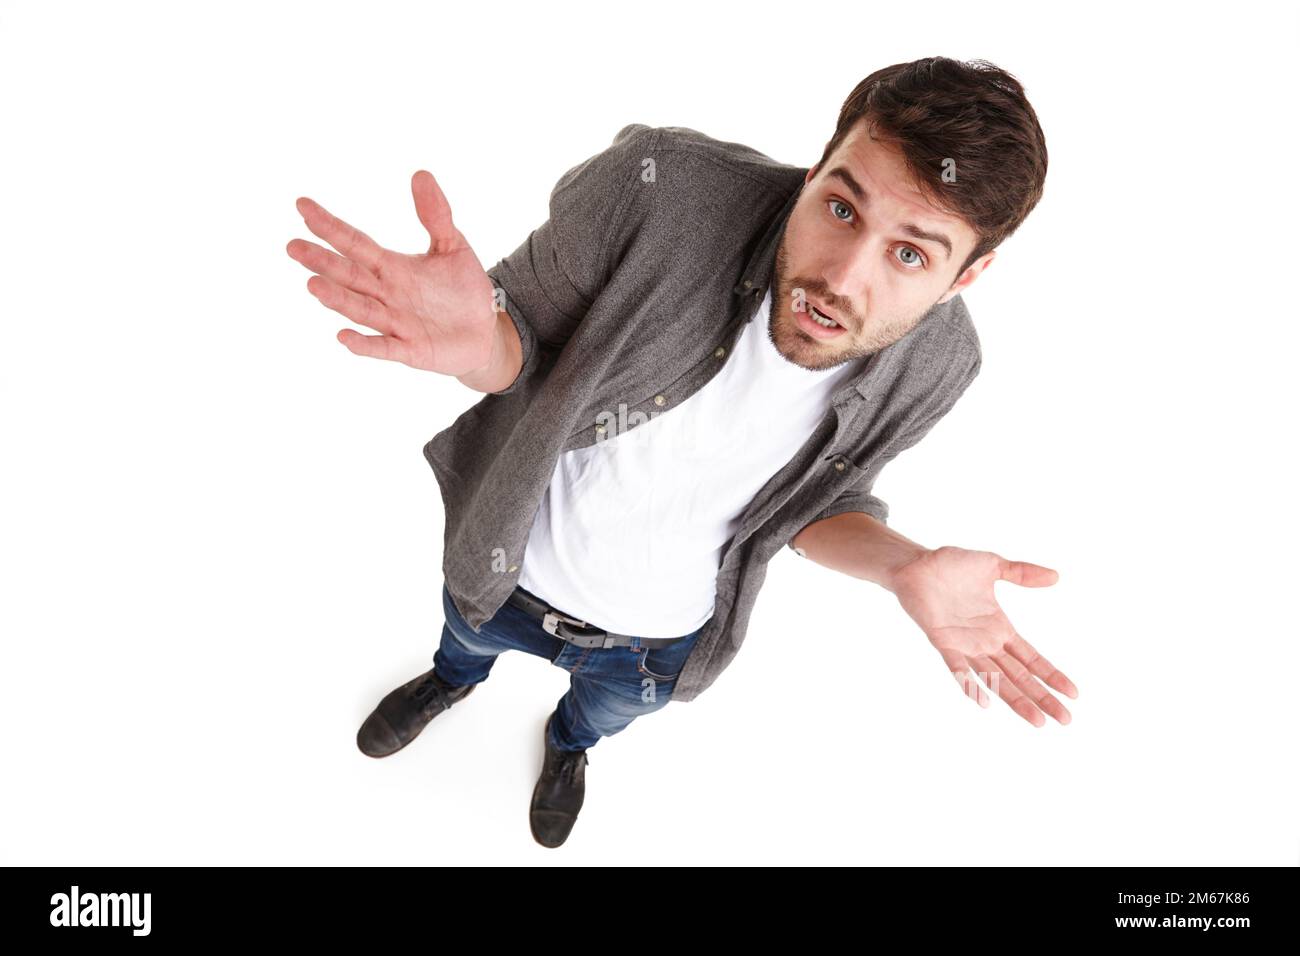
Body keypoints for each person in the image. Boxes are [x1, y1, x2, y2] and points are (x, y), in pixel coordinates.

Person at [286, 56, 1079, 849]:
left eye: (911, 255)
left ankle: (569, 746)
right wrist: (476, 344)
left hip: (654, 645)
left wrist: (902, 564)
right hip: (506, 567)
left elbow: (815, 507)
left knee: (597, 718)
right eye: (841, 207)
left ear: (965, 276)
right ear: (815, 171)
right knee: (462, 643)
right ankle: (451, 683)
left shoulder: (940, 365)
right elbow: (512, 340)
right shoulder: (659, 186)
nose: (842, 277)